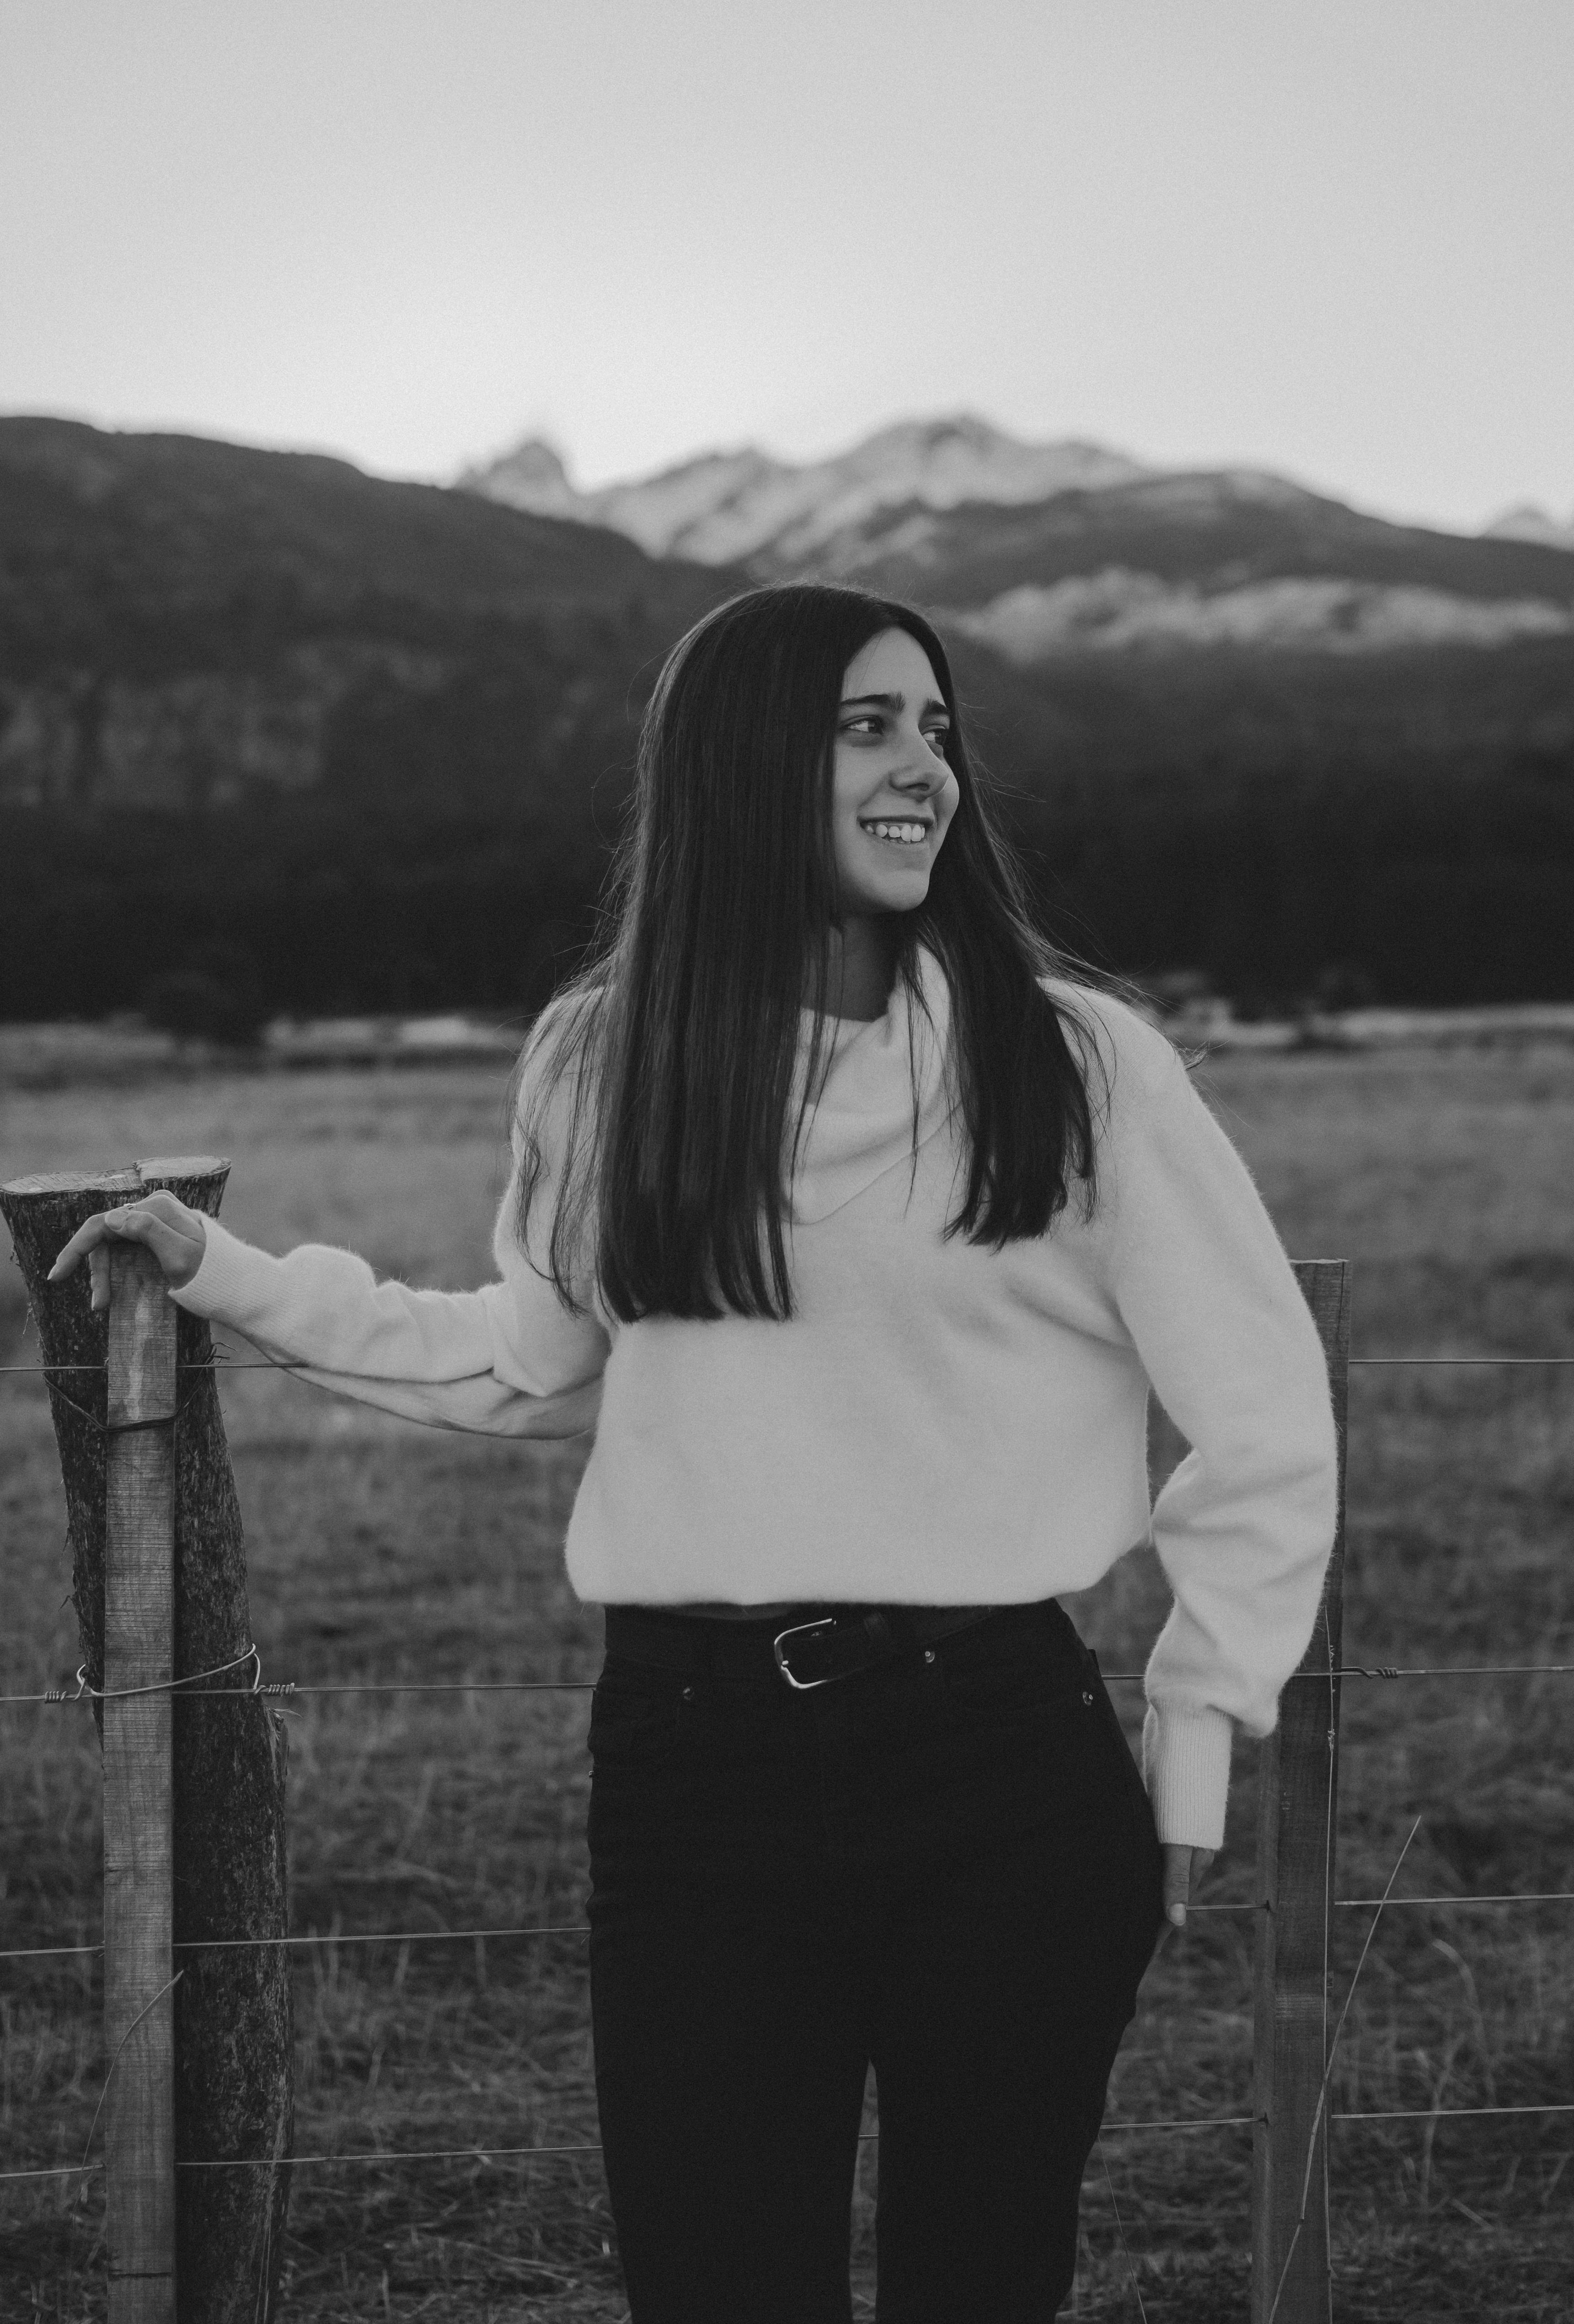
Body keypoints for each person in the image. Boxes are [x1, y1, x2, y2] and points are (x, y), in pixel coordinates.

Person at [51, 582, 1338, 2322]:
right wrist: (237, 1277)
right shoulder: (607, 1059)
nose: (923, 772)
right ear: (740, 769)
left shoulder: (1075, 1062)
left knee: (984, 2282)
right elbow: (523, 1355)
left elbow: (1260, 1413)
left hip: (1003, 1772)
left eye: (936, 729)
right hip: (694, 1774)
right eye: (866, 727)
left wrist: (1198, 1729)